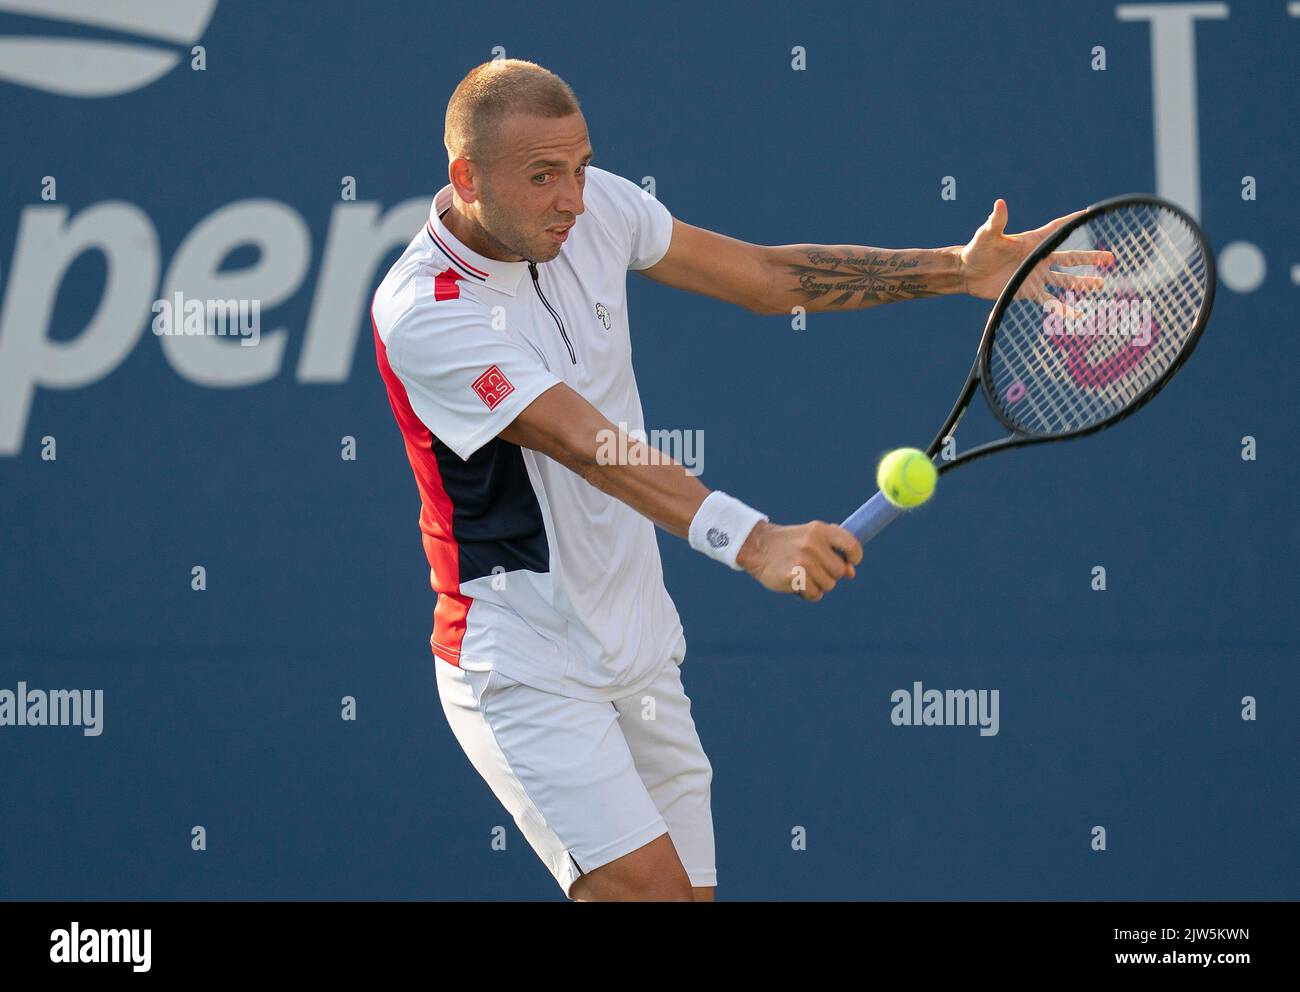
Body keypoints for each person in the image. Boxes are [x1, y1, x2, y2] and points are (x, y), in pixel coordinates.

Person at [372, 58, 1097, 901]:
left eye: (579, 166)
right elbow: (589, 446)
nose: (574, 196)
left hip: (639, 643)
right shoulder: (428, 311)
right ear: (466, 178)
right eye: (543, 177)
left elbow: (763, 278)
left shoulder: (595, 206)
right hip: (525, 658)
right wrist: (752, 540)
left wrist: (957, 270)